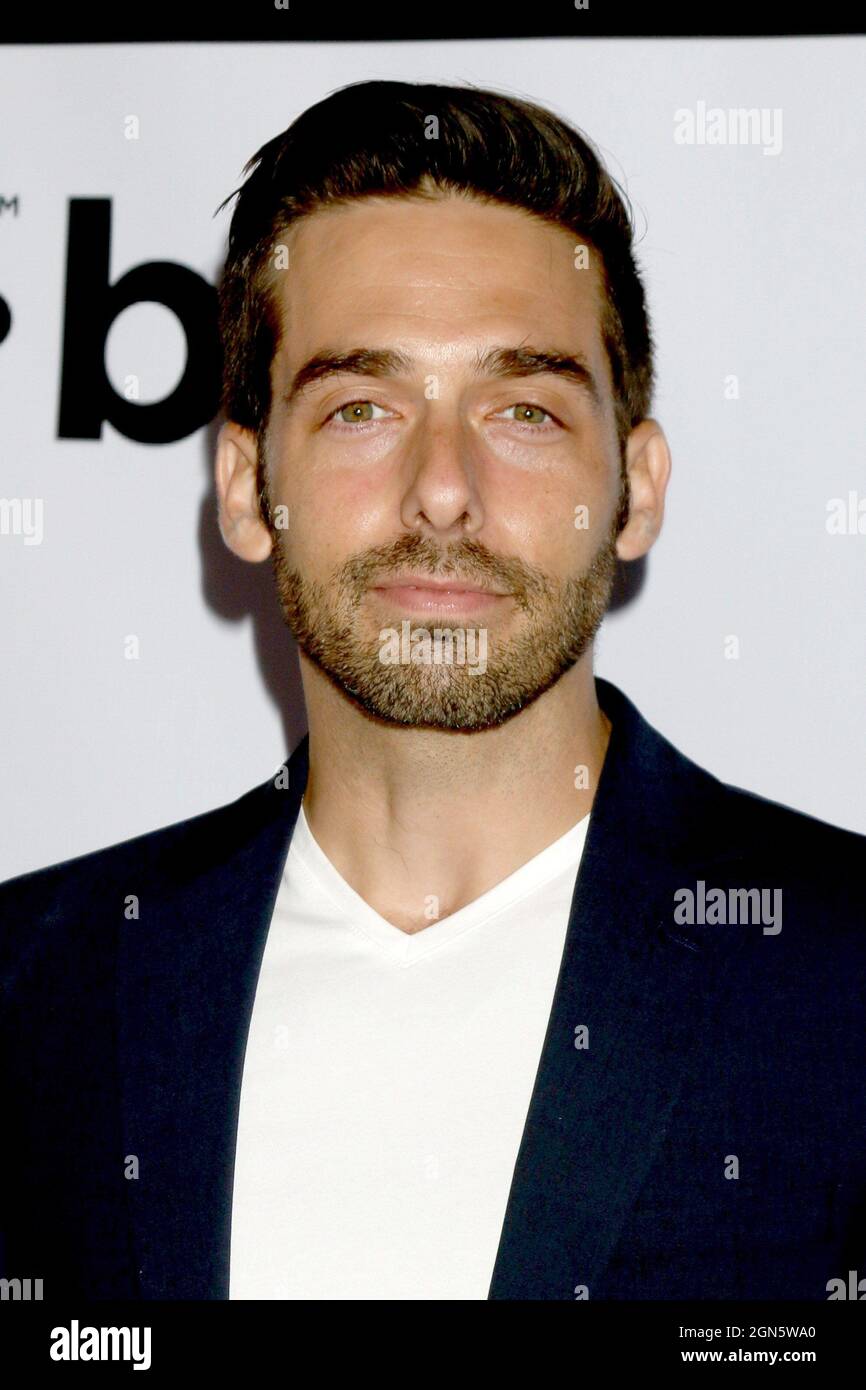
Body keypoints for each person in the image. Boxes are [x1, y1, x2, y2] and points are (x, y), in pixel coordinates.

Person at [1, 80, 864, 1302]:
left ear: (637, 487)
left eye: (522, 410)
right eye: (361, 407)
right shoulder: (35, 994)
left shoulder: (840, 976)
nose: (443, 489)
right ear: (246, 487)